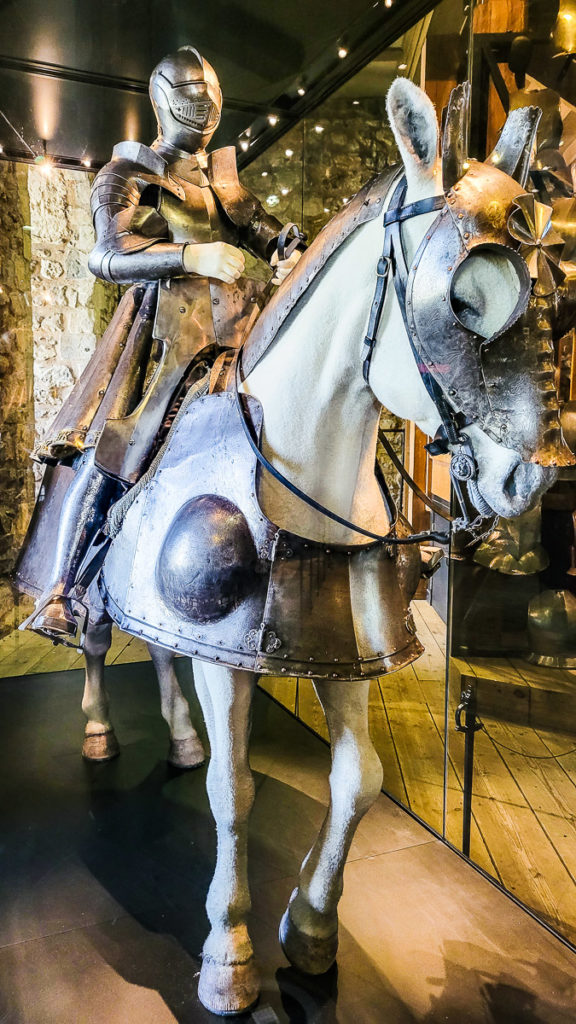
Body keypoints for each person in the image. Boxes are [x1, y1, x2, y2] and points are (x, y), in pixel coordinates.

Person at [20, 46, 304, 640]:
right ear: (162, 101)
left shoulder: (227, 186)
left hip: (238, 335)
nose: (203, 108)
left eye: (210, 95)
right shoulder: (128, 175)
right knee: (125, 443)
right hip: (169, 341)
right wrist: (189, 255)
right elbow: (107, 253)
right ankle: (61, 589)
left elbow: (265, 230)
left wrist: (288, 247)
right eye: (190, 96)